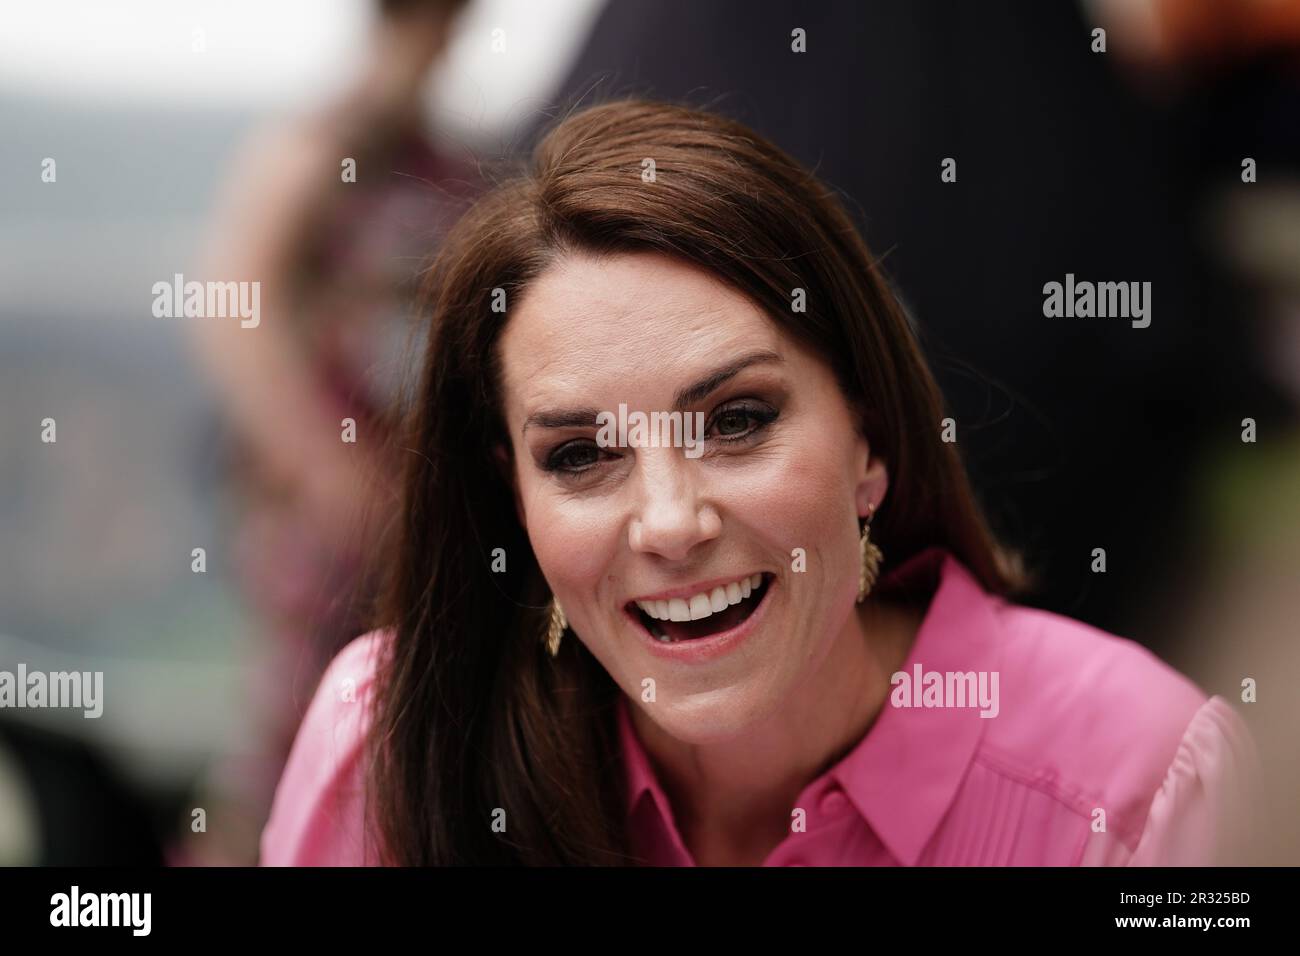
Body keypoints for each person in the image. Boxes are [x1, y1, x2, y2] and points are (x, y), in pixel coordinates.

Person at [260, 98, 1260, 866]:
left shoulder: (1137, 777)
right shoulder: (387, 745)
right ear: (512, 501)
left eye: (736, 421)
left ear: (869, 439)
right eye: (580, 454)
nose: (669, 521)